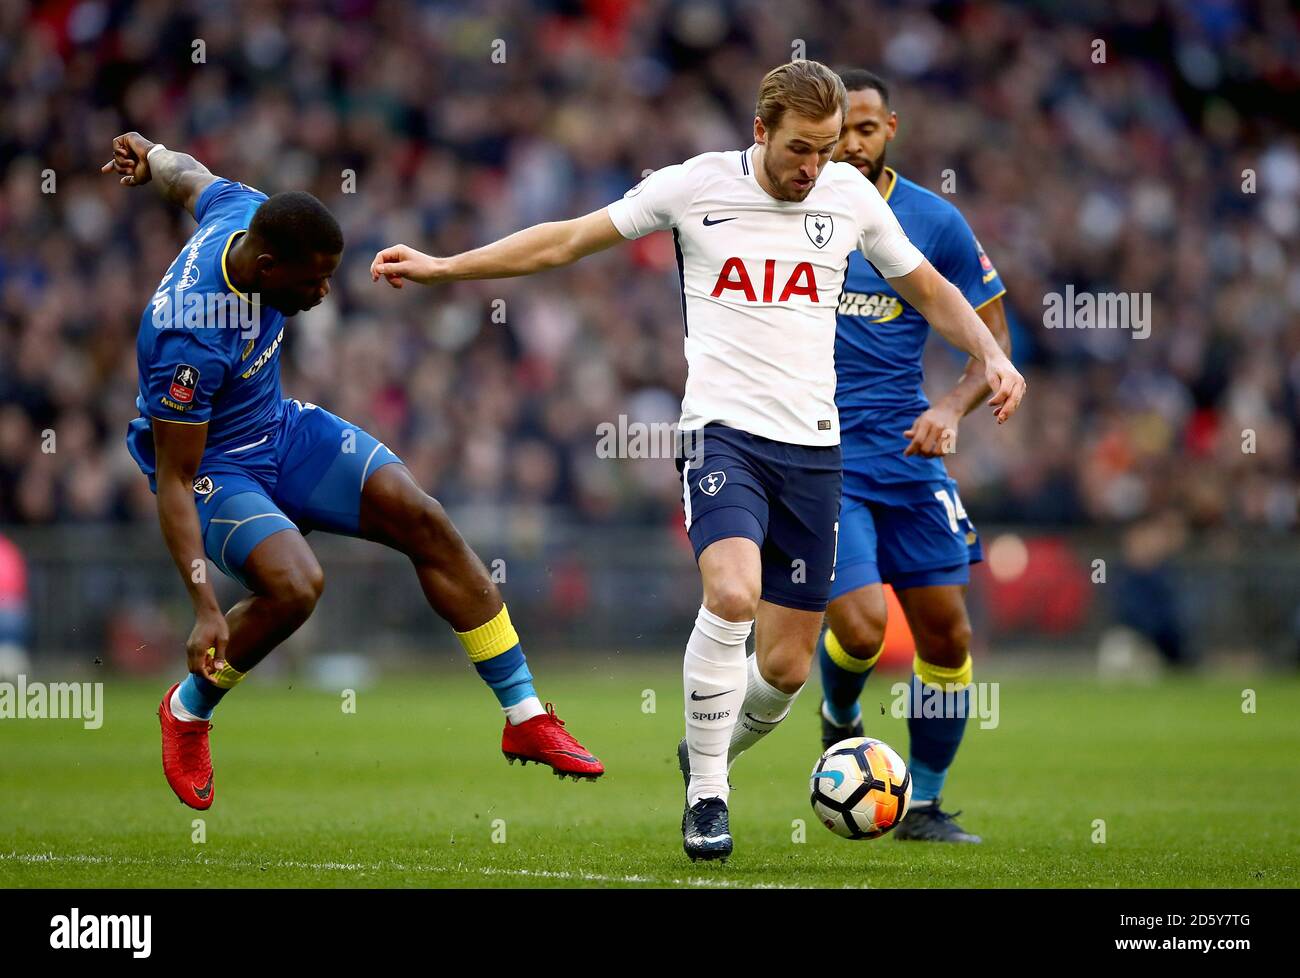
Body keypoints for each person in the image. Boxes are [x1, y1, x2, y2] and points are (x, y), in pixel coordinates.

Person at [368, 60, 1024, 862]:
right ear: (759, 131)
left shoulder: (845, 197)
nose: (814, 168)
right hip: (725, 437)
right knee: (733, 591)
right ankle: (709, 795)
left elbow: (928, 291)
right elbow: (567, 240)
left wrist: (991, 355)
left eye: (826, 150)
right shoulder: (693, 187)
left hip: (816, 451)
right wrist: (445, 266)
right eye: (799, 150)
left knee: (784, 670)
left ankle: (704, 746)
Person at [104, 132, 603, 811]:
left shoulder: (240, 211)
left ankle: (525, 718)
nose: (323, 291)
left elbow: (187, 174)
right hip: (215, 467)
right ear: (269, 264)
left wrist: (150, 153)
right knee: (297, 585)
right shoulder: (186, 341)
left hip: (281, 430)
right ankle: (188, 711)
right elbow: (170, 479)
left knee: (424, 517)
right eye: (313, 281)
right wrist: (203, 606)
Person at [816, 69, 1013, 843]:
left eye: (866, 129)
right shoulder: (791, 213)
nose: (853, 145)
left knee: (949, 637)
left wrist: (948, 407)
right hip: (822, 457)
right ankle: (840, 715)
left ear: (889, 127)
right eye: (841, 132)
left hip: (907, 452)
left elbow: (991, 339)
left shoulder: (934, 222)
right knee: (863, 630)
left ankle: (924, 805)